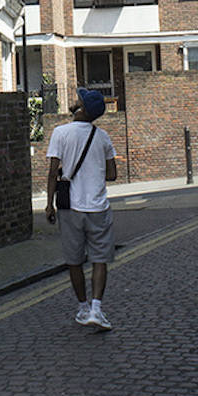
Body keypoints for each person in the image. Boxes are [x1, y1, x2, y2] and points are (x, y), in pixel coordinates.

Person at [45, 87, 118, 329]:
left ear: (82, 108)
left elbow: (53, 171)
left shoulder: (60, 133)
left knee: (74, 261)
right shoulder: (103, 137)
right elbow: (112, 174)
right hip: (98, 207)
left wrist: (48, 205)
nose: (75, 101)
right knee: (100, 260)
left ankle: (82, 307)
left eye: (79, 100)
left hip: (70, 208)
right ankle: (97, 309)